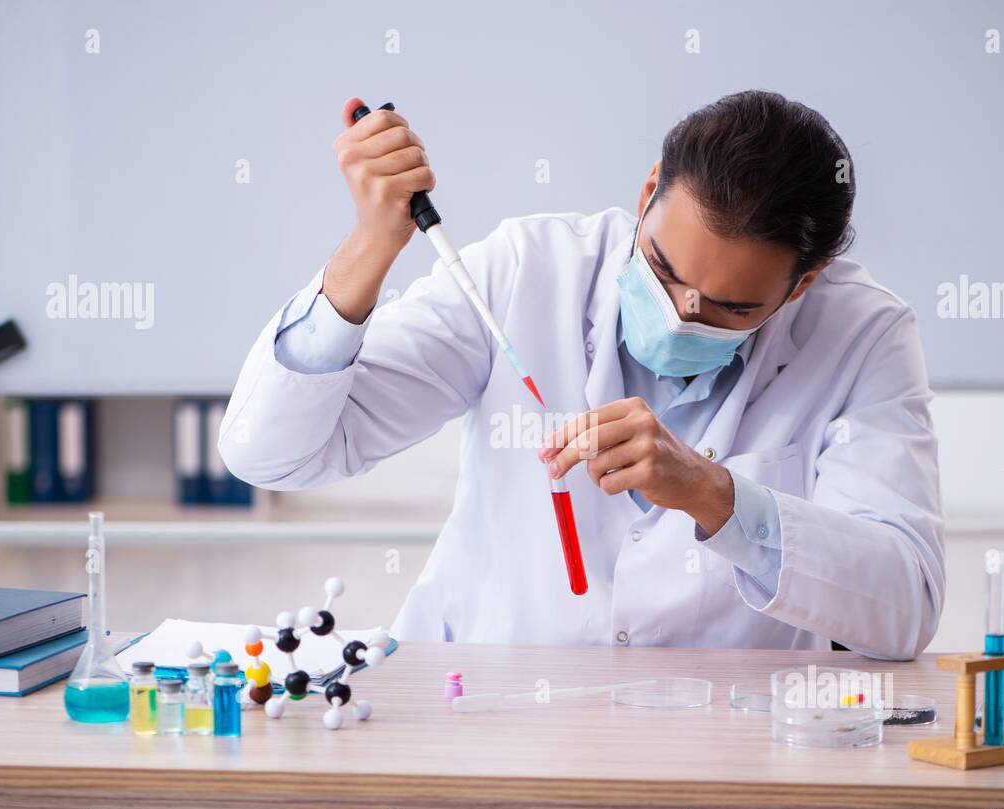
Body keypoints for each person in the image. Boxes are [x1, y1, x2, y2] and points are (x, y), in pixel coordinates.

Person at [219, 91, 944, 658]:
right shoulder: (525, 271)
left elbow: (903, 605)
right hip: (478, 711)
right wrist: (372, 245)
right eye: (662, 268)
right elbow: (270, 452)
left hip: (716, 742)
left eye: (729, 307)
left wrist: (714, 495)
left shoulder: (863, 335)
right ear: (648, 191)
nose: (681, 314)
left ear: (805, 283)